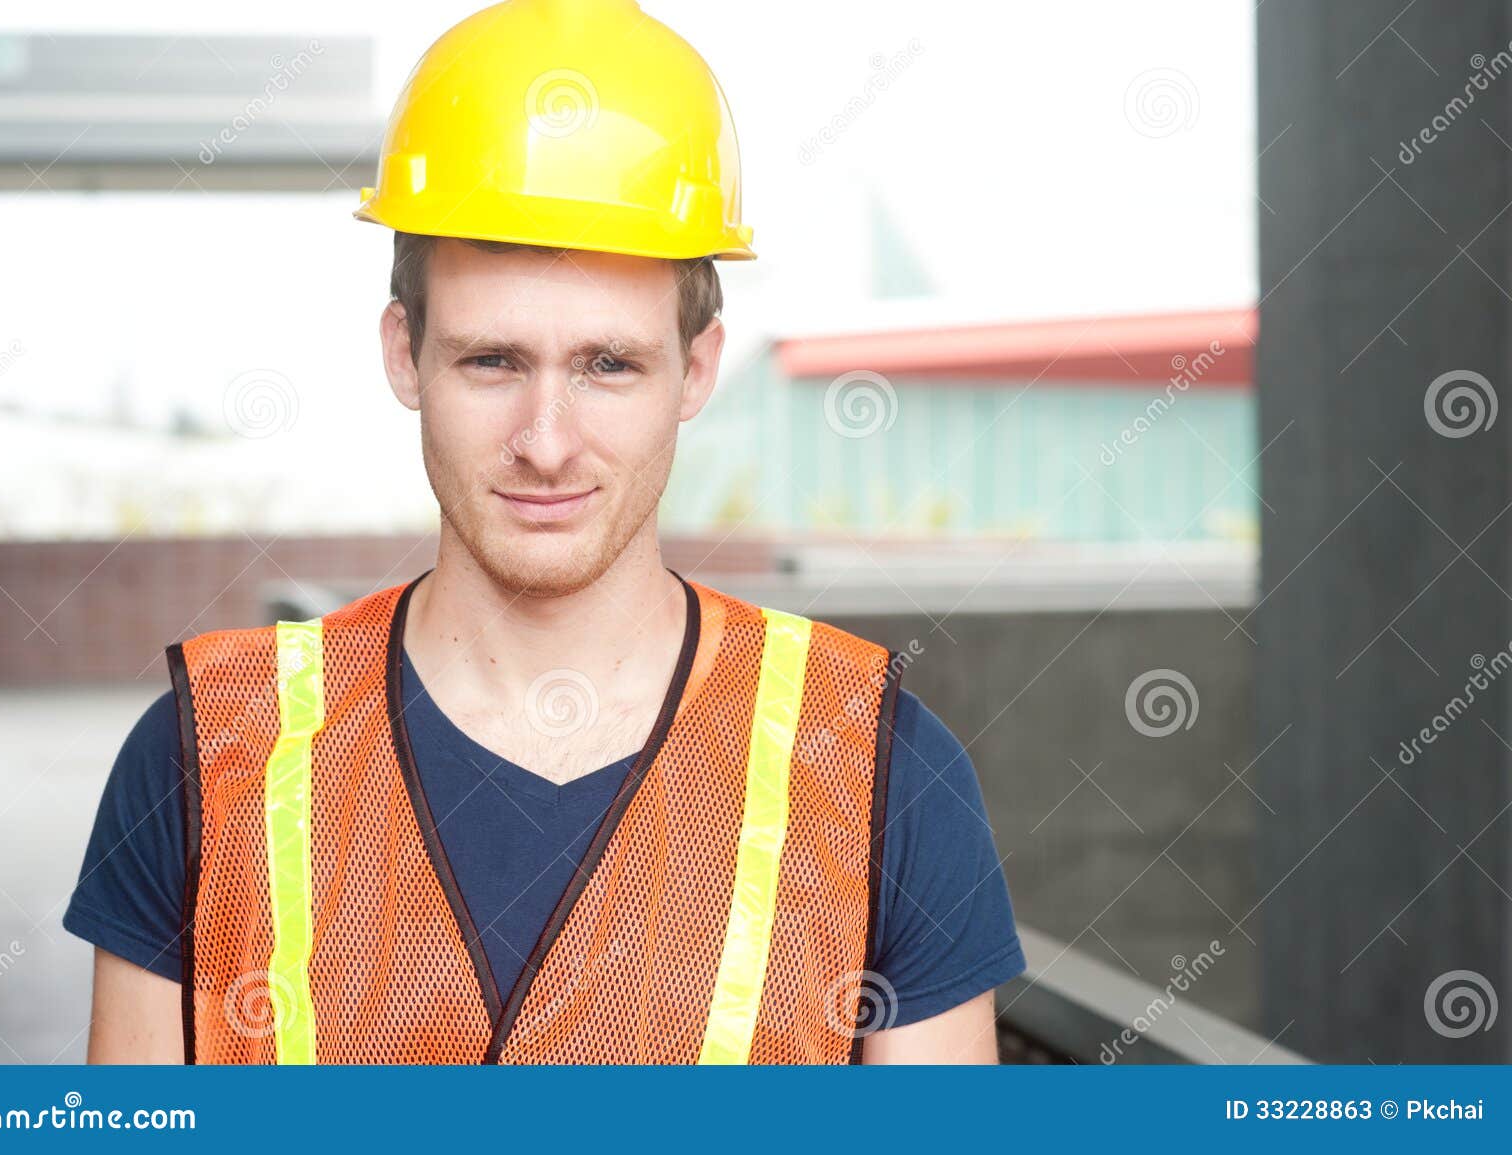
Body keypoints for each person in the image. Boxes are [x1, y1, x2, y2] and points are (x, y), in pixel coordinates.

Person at [64, 0, 1025, 1064]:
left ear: (696, 370)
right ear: (404, 355)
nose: (547, 442)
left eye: (608, 366)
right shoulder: (207, 756)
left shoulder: (872, 766)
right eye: (492, 362)